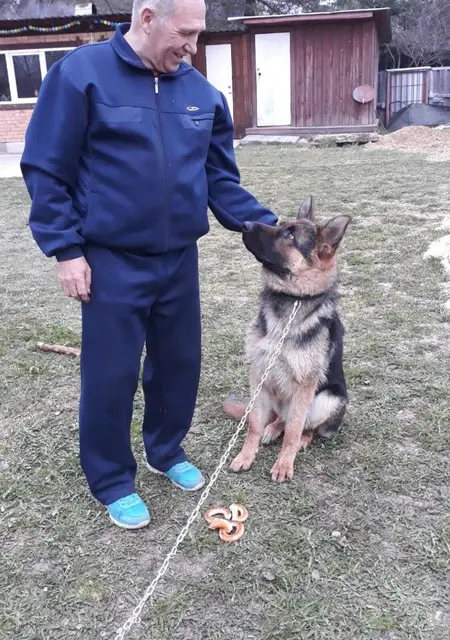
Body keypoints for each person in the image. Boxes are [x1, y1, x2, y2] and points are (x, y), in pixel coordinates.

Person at [20, 0, 278, 530]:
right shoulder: (81, 75)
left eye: (199, 34)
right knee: (111, 374)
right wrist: (66, 249)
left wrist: (271, 229)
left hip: (178, 259)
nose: (193, 47)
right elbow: (47, 168)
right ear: (147, 18)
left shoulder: (201, 93)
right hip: (110, 260)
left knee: (179, 364)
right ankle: (113, 480)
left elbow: (219, 179)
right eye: (186, 32)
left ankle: (166, 450)